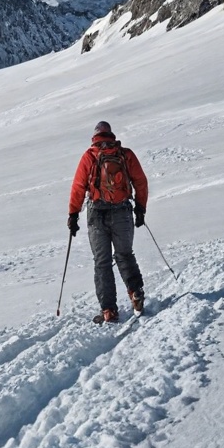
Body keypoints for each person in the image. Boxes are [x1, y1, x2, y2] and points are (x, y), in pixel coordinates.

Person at [67, 121, 149, 322]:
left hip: (96, 214)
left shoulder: (89, 156)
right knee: (124, 255)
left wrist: (73, 214)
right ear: (111, 135)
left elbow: (78, 187)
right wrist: (140, 208)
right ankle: (135, 292)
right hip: (122, 211)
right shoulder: (125, 154)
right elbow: (140, 181)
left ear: (95, 136)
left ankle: (108, 311)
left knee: (102, 263)